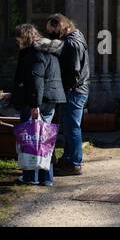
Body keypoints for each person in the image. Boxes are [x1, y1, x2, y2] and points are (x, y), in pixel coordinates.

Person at [35, 13, 90, 176]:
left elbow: (73, 72)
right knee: (68, 127)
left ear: (61, 26)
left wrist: (63, 88)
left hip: (74, 91)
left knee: (72, 127)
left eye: (52, 30)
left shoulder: (72, 43)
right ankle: (68, 158)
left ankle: (74, 163)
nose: (51, 34)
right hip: (76, 90)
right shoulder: (74, 37)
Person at [12, 22, 64, 186]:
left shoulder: (34, 52)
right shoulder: (47, 49)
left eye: (19, 37)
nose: (17, 41)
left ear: (25, 36)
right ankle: (46, 177)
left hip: (37, 100)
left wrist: (35, 105)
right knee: (44, 138)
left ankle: (30, 177)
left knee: (31, 137)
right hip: (50, 98)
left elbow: (36, 80)